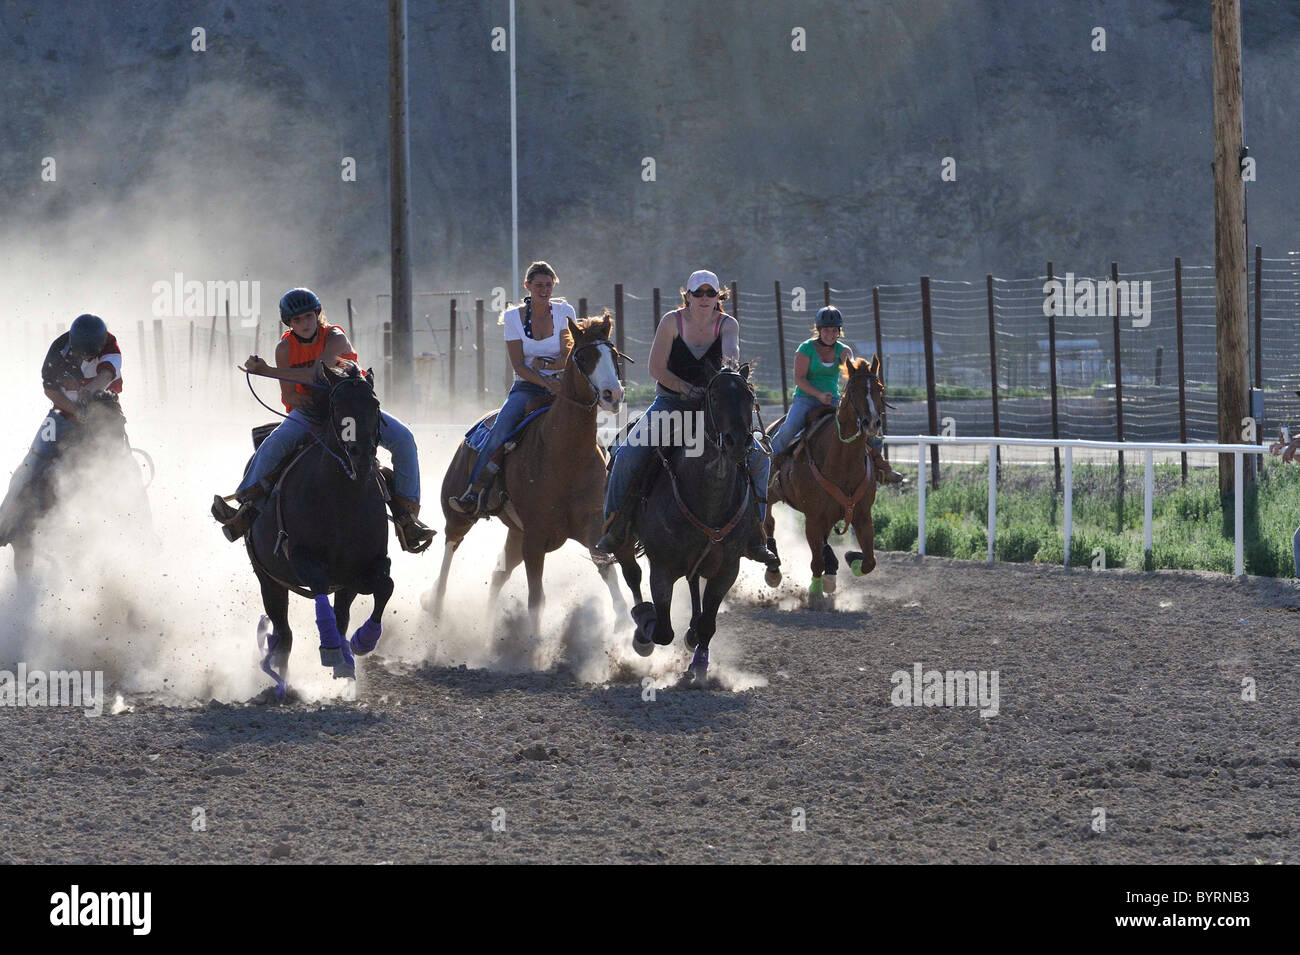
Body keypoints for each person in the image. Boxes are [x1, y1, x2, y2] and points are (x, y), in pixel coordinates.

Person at [210, 287, 434, 552]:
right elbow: (290, 396)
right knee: (275, 442)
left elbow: (320, 374)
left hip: (351, 407)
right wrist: (308, 400)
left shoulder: (336, 337)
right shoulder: (284, 349)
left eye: (308, 316)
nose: (304, 324)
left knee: (403, 438)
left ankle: (408, 516)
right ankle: (244, 507)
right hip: (312, 412)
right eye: (297, 320)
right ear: (289, 323)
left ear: (317, 315)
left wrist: (266, 371)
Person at [594, 269, 775, 565]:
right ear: (687, 296)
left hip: (714, 409)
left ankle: (756, 535)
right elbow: (656, 368)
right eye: (698, 293)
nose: (704, 298)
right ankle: (613, 528)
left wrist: (725, 379)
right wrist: (687, 389)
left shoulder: (727, 324)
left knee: (759, 459)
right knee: (627, 454)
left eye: (710, 293)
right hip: (671, 404)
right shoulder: (671, 322)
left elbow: (731, 357)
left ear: (719, 297)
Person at [448, 261, 575, 516]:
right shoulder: (512, 317)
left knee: (587, 422)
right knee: (501, 429)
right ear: (527, 286)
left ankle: (599, 488)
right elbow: (519, 366)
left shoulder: (565, 311)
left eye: (549, 285)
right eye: (539, 285)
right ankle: (475, 491)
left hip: (563, 385)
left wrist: (548, 366)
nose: (544, 289)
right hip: (527, 387)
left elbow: (570, 353)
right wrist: (544, 380)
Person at [0, 314, 124, 545]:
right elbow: (50, 390)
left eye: (90, 353)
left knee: (124, 462)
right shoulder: (57, 352)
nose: (86, 356)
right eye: (82, 352)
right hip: (64, 411)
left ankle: (144, 529)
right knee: (32, 460)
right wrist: (76, 411)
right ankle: (4, 522)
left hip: (103, 404)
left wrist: (90, 394)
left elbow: (106, 374)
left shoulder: (109, 343)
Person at [768, 305, 903, 484]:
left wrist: (861, 371)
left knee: (871, 427)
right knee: (789, 429)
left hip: (833, 401)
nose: (830, 334)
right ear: (818, 330)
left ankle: (882, 469)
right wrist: (818, 394)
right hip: (805, 400)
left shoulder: (843, 350)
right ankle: (768, 466)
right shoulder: (806, 348)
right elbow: (799, 379)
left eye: (834, 330)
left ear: (839, 331)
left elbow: (851, 364)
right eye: (826, 330)